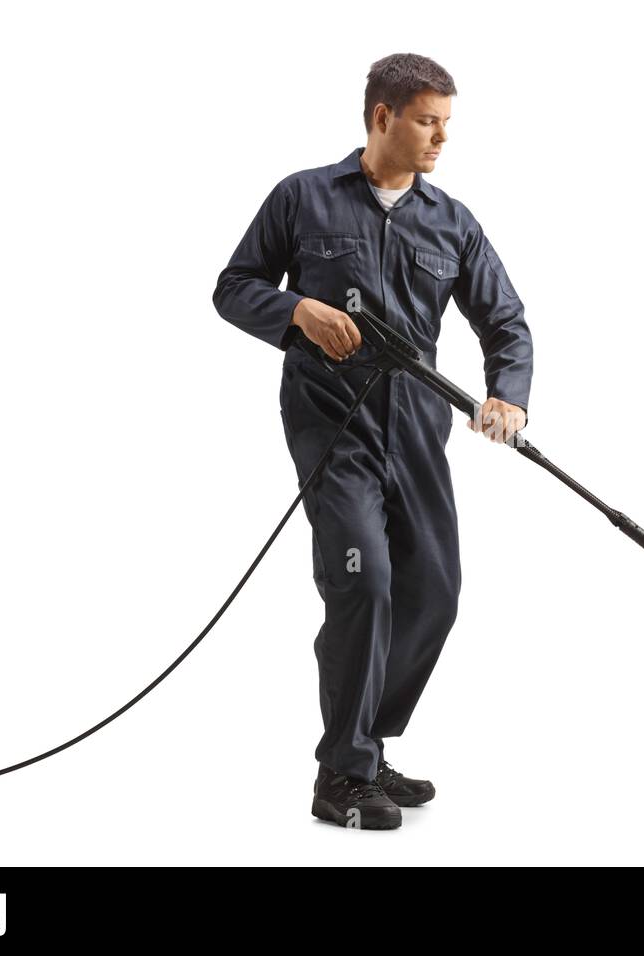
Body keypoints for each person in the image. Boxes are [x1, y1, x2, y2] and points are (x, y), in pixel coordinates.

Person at [212, 53, 533, 829]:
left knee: (433, 591)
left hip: (417, 428)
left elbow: (507, 322)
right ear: (382, 117)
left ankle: (366, 743)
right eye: (428, 121)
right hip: (334, 424)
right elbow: (234, 287)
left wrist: (506, 398)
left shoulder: (450, 221)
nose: (440, 140)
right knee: (365, 581)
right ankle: (342, 775)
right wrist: (296, 311)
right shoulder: (305, 198)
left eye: (447, 125)